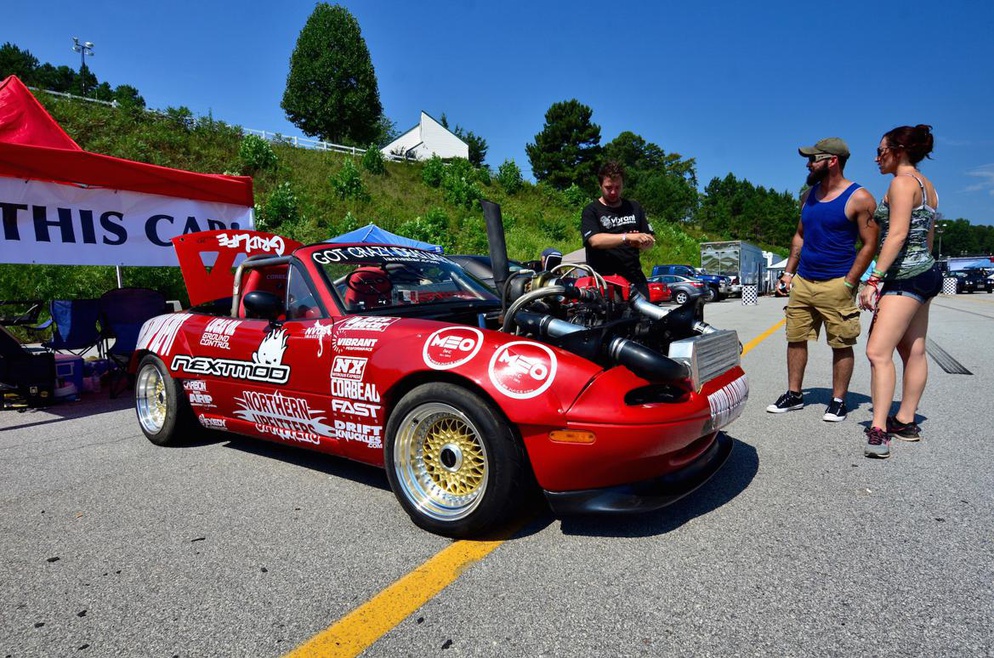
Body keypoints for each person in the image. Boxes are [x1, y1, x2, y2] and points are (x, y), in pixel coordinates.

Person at [767, 137, 878, 422]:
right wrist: (789, 272)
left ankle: (838, 400)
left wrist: (851, 282)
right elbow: (800, 235)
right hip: (803, 281)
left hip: (837, 282)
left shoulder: (860, 197)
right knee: (795, 338)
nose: (808, 163)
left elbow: (869, 244)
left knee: (841, 343)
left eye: (814, 158)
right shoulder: (808, 196)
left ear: (832, 161)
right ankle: (794, 394)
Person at [858, 125, 941, 459]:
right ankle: (906, 420)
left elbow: (898, 234)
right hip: (927, 273)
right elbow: (929, 235)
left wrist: (874, 279)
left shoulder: (901, 183)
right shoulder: (928, 187)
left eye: (881, 150)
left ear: (900, 150)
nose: (876, 157)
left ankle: (879, 430)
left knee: (878, 353)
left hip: (905, 277)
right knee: (914, 350)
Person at [581, 161, 655, 297]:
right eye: (608, 187)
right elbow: (595, 240)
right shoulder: (591, 210)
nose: (614, 192)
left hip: (635, 280)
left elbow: (650, 239)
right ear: (600, 185)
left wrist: (642, 243)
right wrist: (626, 237)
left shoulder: (634, 207)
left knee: (645, 317)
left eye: (618, 187)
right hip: (604, 282)